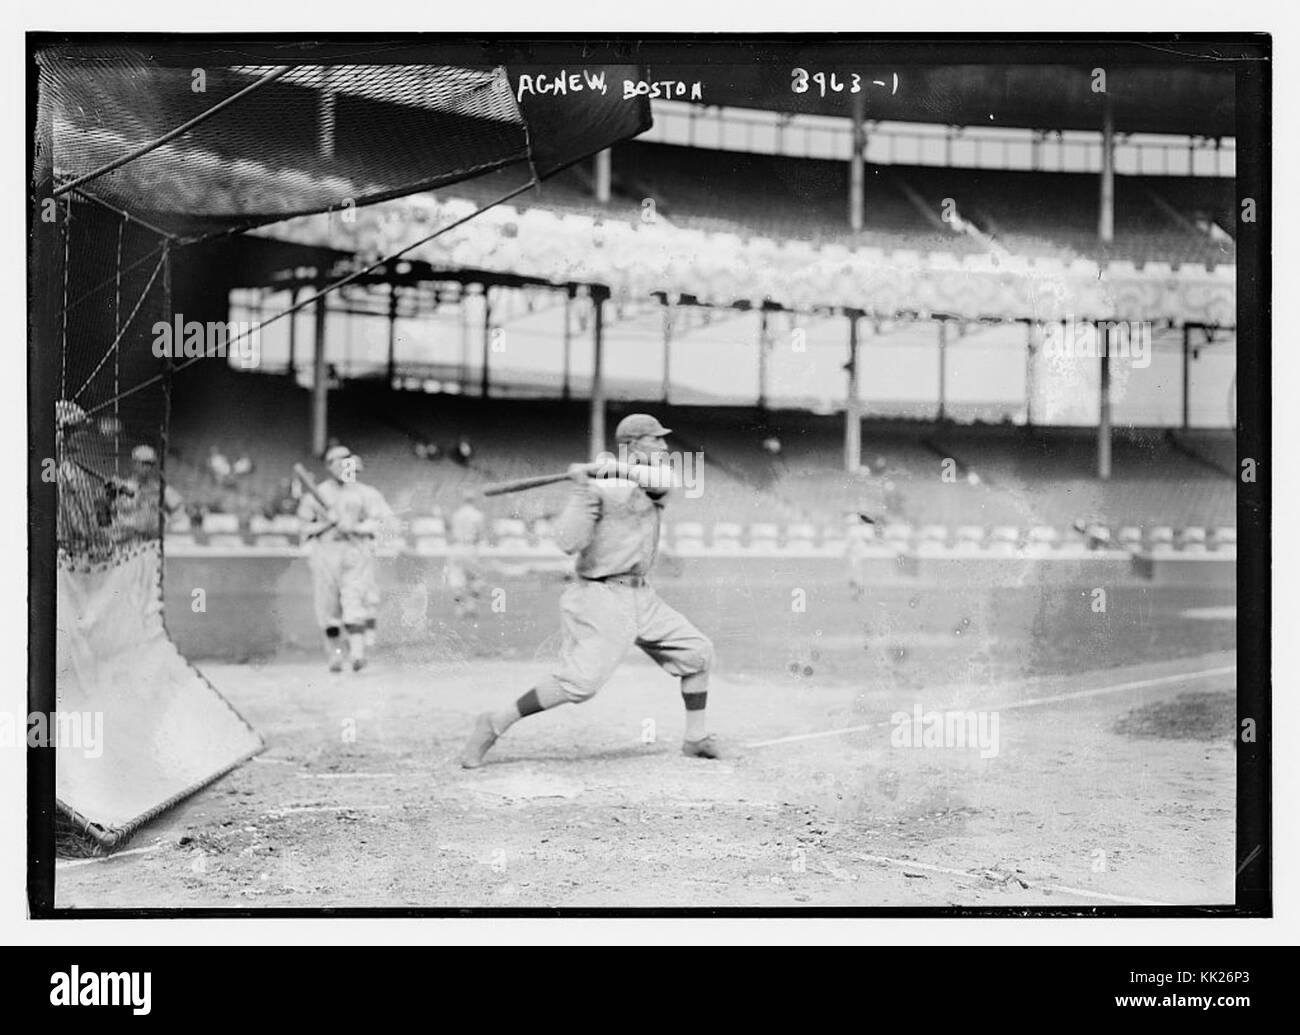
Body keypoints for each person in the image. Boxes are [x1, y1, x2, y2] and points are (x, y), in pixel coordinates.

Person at [459, 413, 719, 768]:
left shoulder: (651, 479)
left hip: (642, 595)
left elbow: (665, 481)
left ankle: (695, 738)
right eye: (655, 439)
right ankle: (495, 722)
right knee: (581, 683)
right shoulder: (596, 488)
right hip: (600, 595)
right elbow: (567, 542)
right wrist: (583, 488)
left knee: (697, 652)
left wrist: (614, 469)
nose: (663, 446)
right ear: (632, 445)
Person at [297, 445, 392, 673]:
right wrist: (327, 523)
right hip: (326, 552)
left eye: (346, 461)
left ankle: (358, 655)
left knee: (354, 600)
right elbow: (303, 528)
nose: (343, 466)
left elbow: (383, 521)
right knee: (328, 608)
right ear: (329, 466)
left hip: (354, 551)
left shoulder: (364, 493)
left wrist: (356, 527)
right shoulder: (316, 494)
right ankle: (336, 655)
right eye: (337, 462)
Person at [110, 444, 183, 539]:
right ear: (134, 463)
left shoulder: (160, 489)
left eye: (151, 464)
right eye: (144, 463)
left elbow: (178, 508)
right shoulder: (120, 487)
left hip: (152, 540)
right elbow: (104, 510)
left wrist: (169, 526)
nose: (148, 468)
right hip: (127, 538)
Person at [446, 489, 487, 620]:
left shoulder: (456, 514)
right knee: (474, 579)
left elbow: (451, 532)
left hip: (457, 547)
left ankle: (459, 610)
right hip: (470, 548)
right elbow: (480, 535)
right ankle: (471, 607)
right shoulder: (477, 515)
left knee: (457, 580)